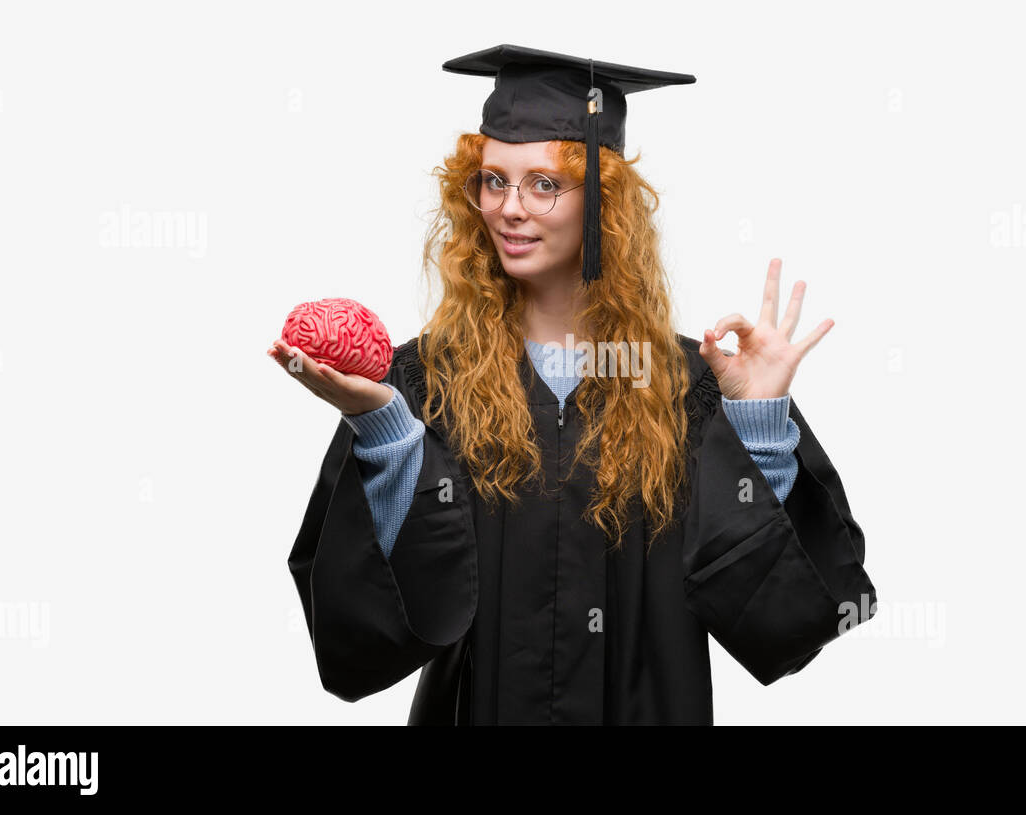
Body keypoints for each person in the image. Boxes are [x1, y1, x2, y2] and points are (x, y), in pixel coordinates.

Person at [268, 44, 877, 725]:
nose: (509, 208)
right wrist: (382, 427)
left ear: (604, 203)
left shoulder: (683, 385)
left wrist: (758, 421)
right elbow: (364, 639)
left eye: (544, 184)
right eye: (493, 181)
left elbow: (780, 618)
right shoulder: (424, 380)